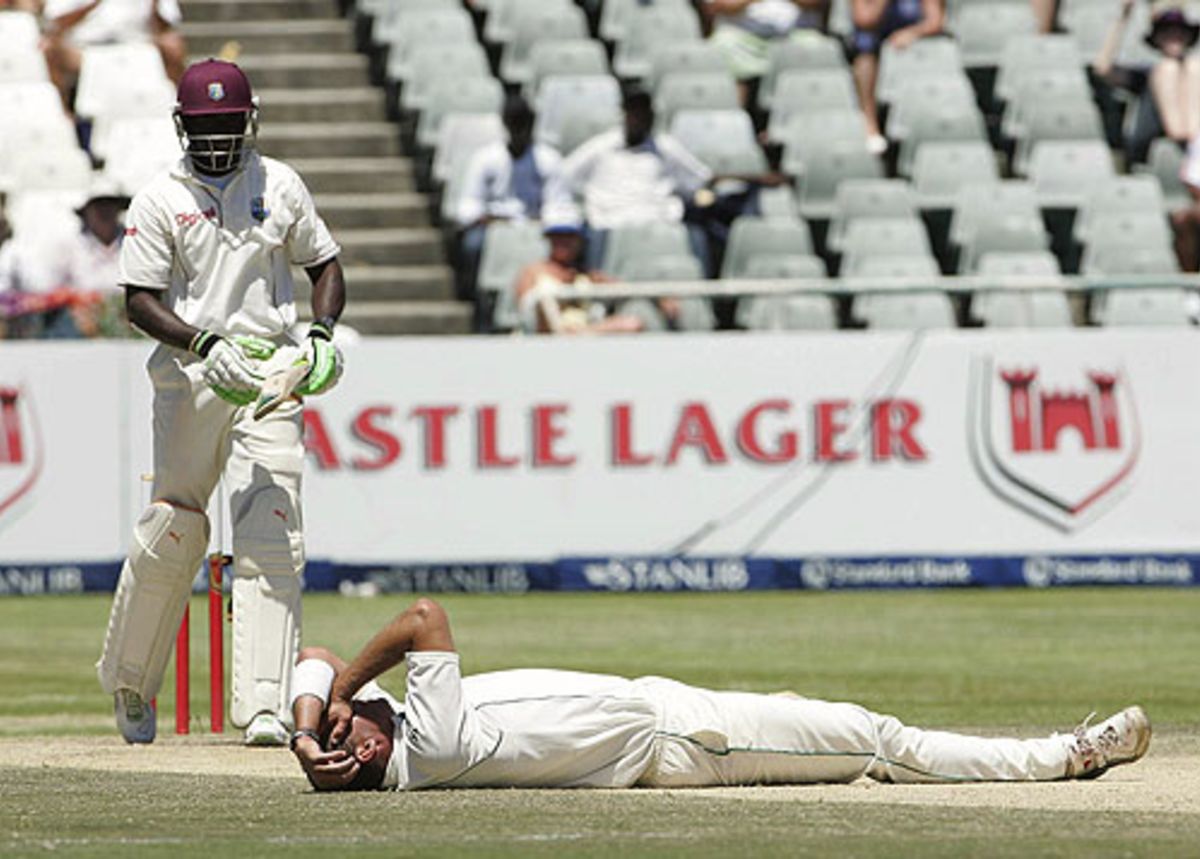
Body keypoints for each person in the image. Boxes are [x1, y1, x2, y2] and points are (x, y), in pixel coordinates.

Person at [95, 58, 347, 747]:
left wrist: (319, 334)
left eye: (228, 125)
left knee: (271, 522)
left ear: (250, 121)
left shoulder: (280, 183)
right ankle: (129, 680)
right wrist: (205, 343)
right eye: (205, 128)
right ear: (182, 127)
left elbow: (325, 265)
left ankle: (265, 702)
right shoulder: (158, 198)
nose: (216, 140)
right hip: (191, 374)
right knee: (174, 527)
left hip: (269, 374)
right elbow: (138, 302)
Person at [288, 598, 1151, 792]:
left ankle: (1058, 753)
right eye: (348, 716)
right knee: (877, 737)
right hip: (686, 739)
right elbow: (422, 617)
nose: (348, 699)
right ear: (366, 746)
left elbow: (315, 651)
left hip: (667, 707)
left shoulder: (398, 740)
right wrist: (349, 692)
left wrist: (303, 732)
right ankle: (1063, 756)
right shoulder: (428, 741)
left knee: (862, 734)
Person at [555, 88, 716, 272]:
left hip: (658, 224)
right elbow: (564, 175)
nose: (638, 119)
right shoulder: (601, 146)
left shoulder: (666, 147)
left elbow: (700, 178)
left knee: (695, 236)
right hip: (609, 224)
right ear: (624, 115)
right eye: (634, 113)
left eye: (643, 113)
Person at [454, 94, 563, 306]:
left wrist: (543, 221)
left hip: (537, 226)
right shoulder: (485, 158)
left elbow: (559, 204)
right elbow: (467, 206)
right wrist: (487, 219)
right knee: (473, 244)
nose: (519, 129)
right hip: (494, 227)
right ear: (505, 124)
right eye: (514, 123)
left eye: (524, 123)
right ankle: (479, 300)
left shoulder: (548, 159)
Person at [1095, 1, 1200, 164]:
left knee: (1194, 67)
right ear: (1156, 38)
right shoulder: (1147, 73)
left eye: (1179, 31)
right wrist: (1122, 19)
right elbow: (1103, 69)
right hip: (1149, 152)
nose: (1174, 37)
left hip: (1190, 149)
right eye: (1167, 32)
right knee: (1168, 68)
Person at [512, 210, 647, 335]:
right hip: (546, 335)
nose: (563, 242)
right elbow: (527, 310)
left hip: (586, 332)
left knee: (632, 323)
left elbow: (623, 290)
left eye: (569, 237)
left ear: (580, 241)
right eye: (557, 237)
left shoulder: (588, 275)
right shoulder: (532, 271)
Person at [41, 0, 187, 109]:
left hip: (138, 46)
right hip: (85, 48)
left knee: (172, 45)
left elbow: (164, 26)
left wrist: (155, 6)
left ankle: (183, 105)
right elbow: (57, 23)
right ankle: (64, 114)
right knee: (49, 49)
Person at [848, 0, 945, 154]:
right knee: (865, 46)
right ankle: (870, 123)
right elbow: (864, 19)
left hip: (909, 46)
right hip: (877, 45)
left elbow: (935, 21)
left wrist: (912, 33)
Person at [702, 0, 829, 105]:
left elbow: (817, 3)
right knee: (723, 46)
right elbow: (716, 6)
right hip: (740, 35)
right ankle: (732, 124)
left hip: (796, 34)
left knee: (818, 47)